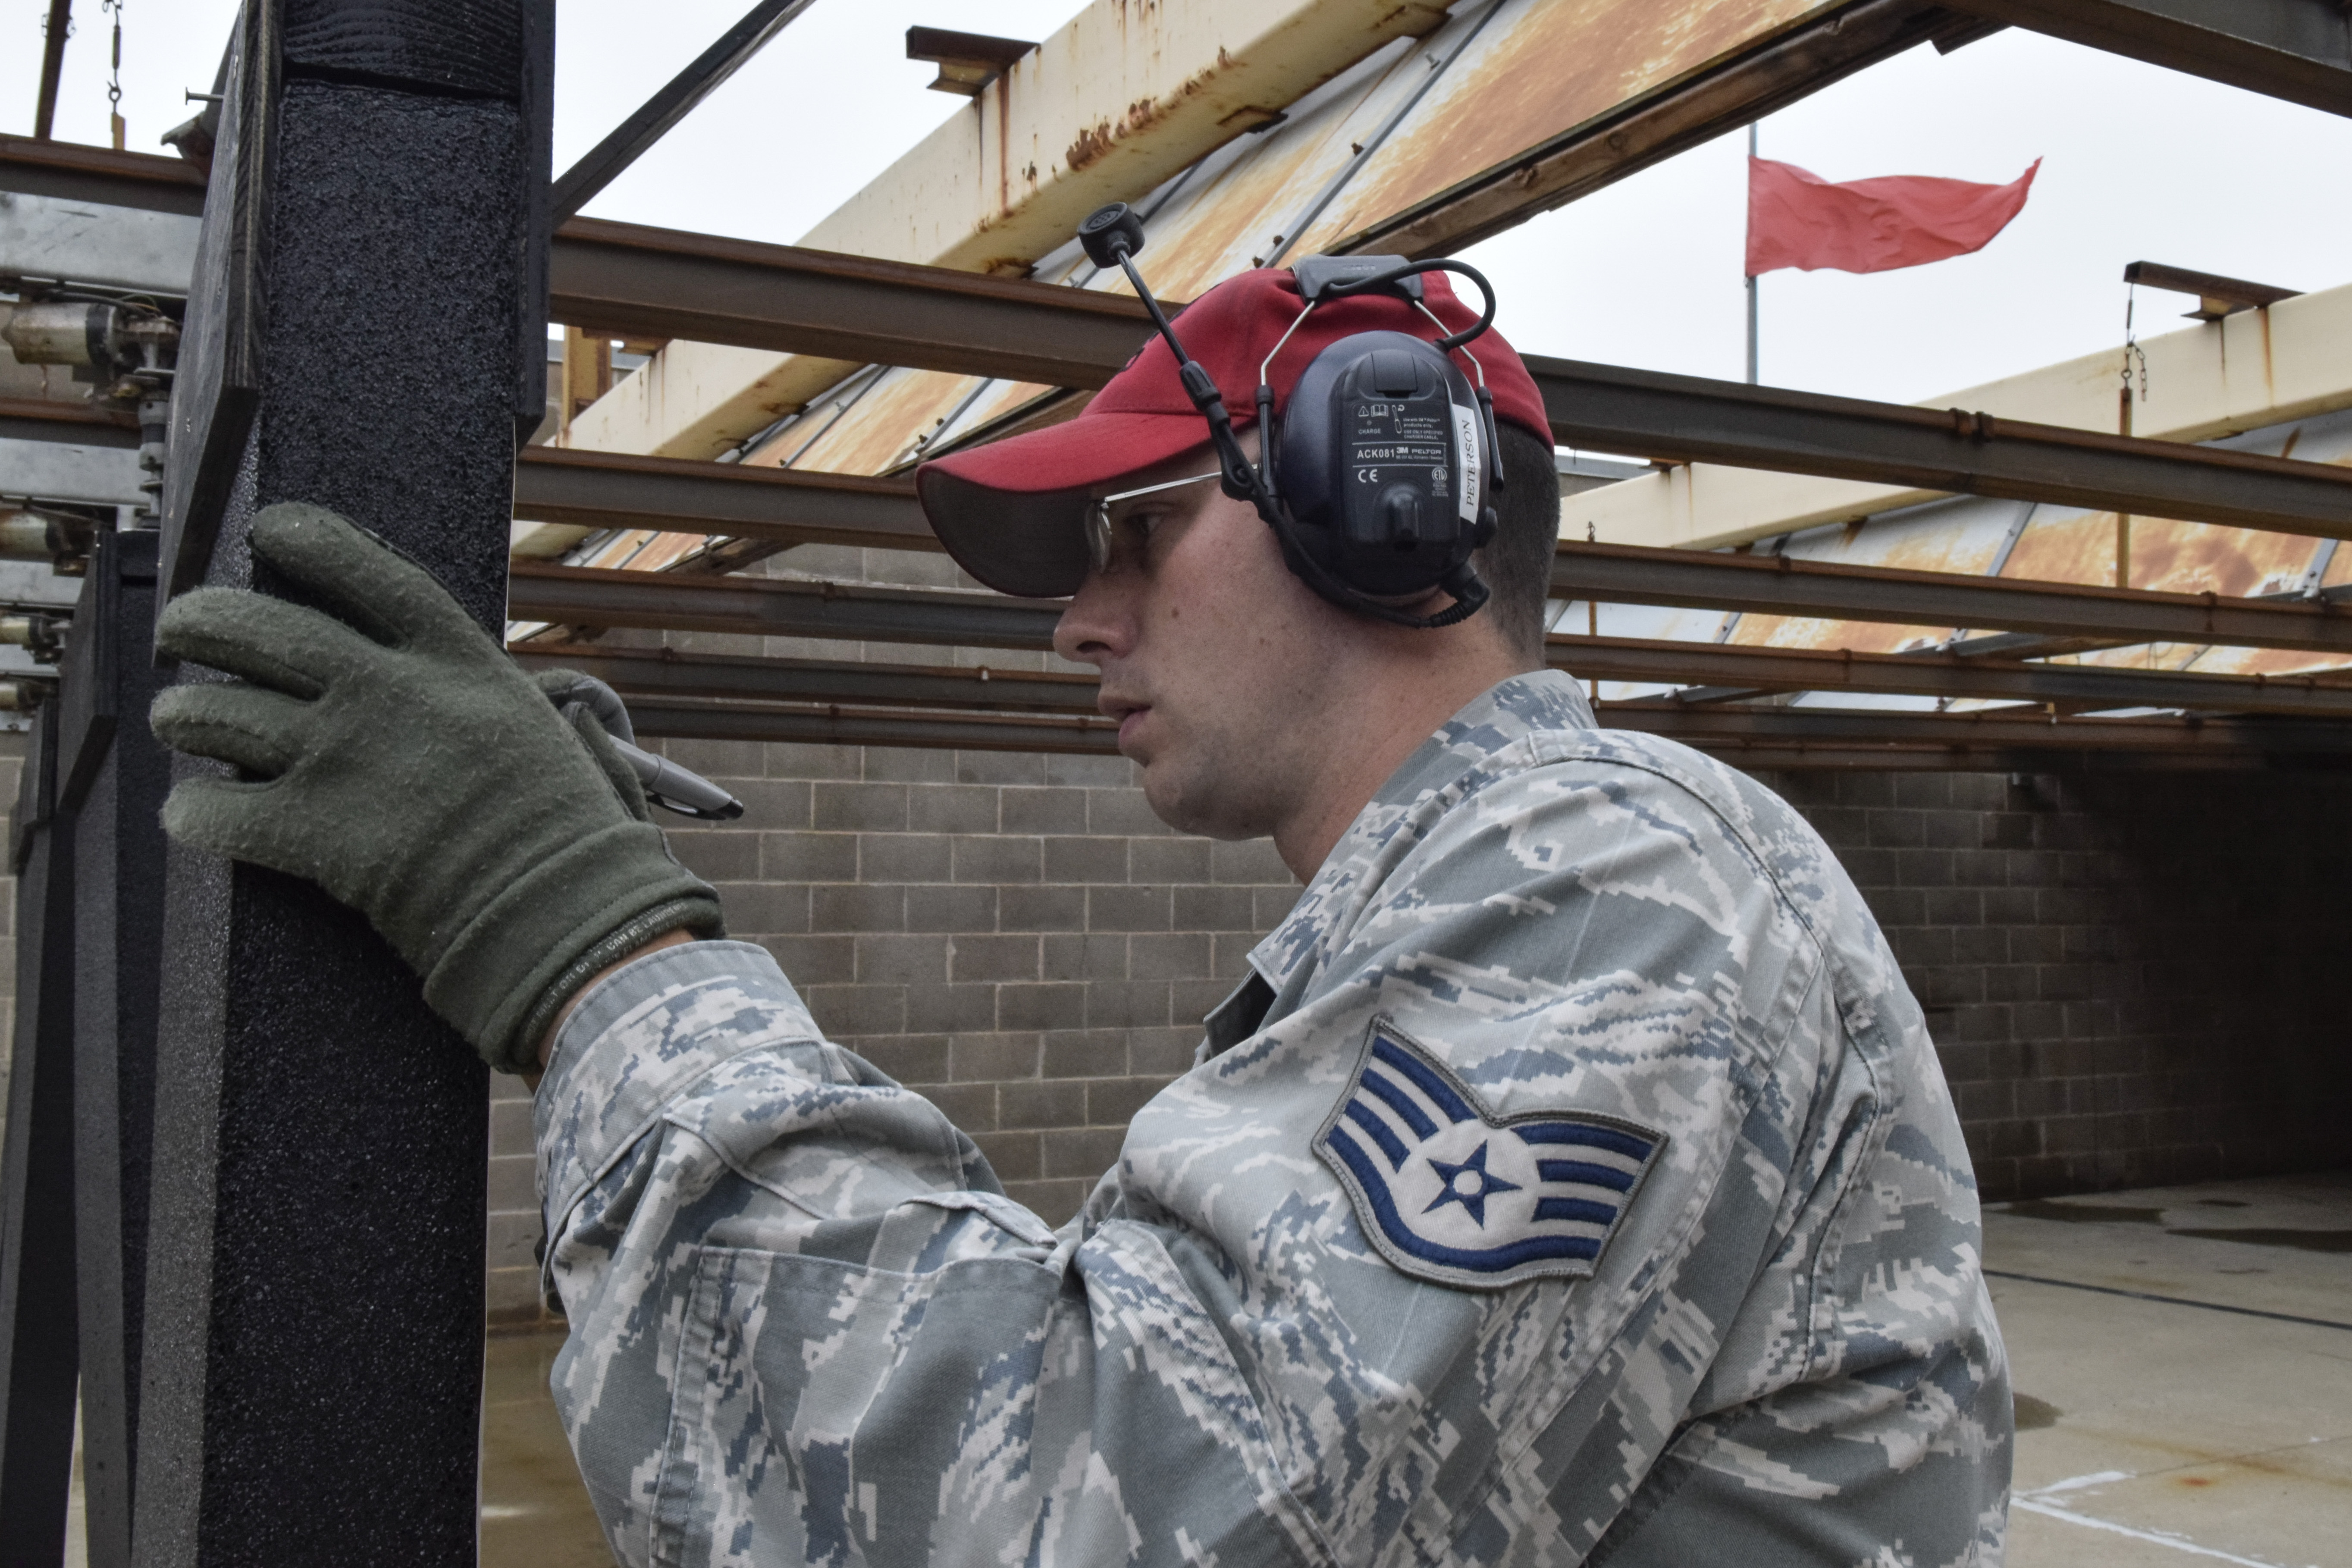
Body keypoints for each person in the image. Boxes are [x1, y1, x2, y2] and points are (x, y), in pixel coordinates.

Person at [149, 263, 2011, 1567]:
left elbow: (1071, 1513)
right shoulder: (1511, 885)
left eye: (1136, 529)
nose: (1076, 618)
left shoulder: (1606, 889)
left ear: (1374, 499)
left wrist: (581, 942)